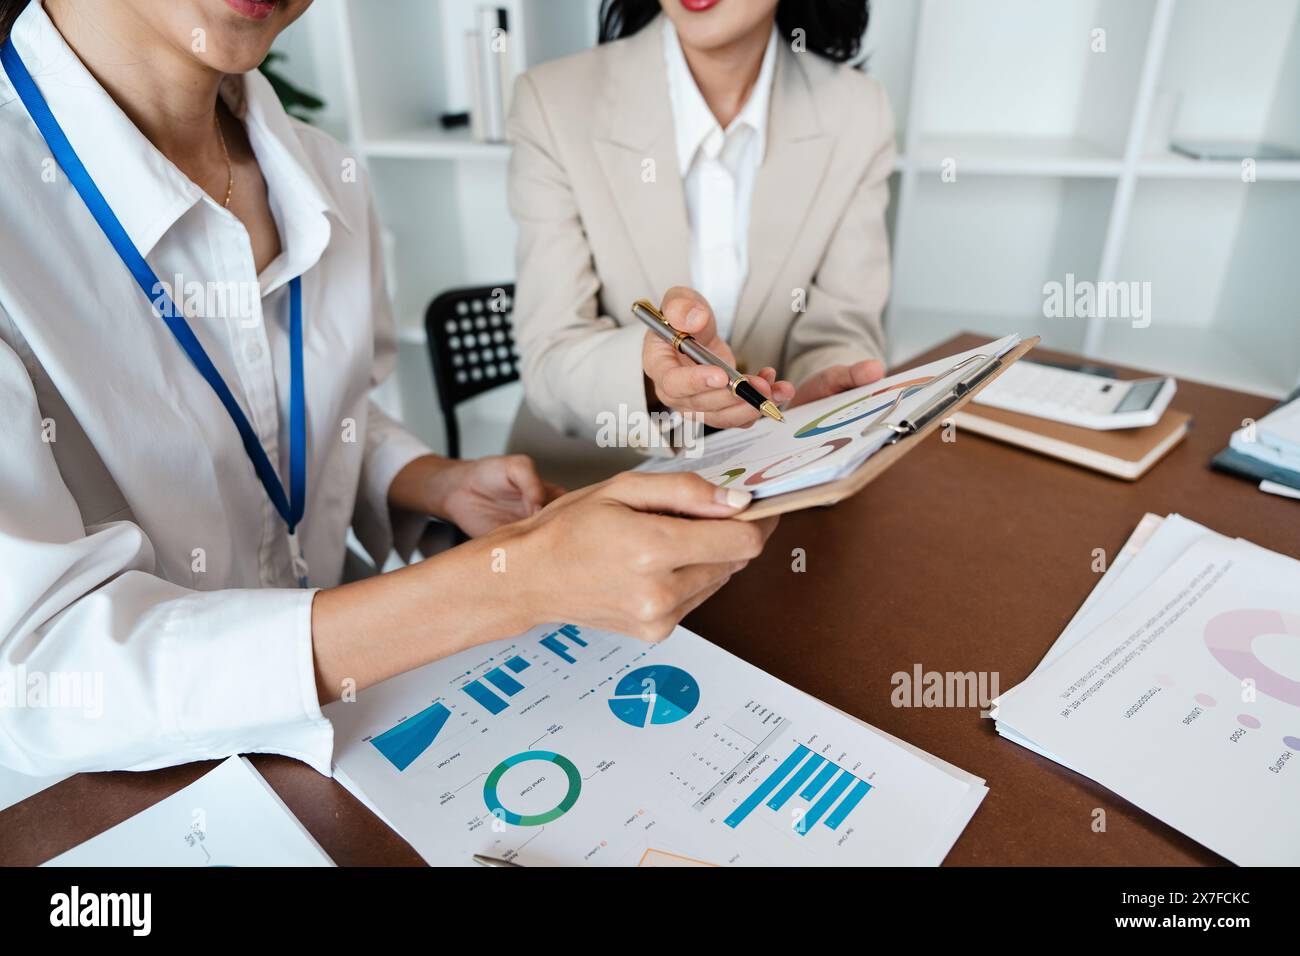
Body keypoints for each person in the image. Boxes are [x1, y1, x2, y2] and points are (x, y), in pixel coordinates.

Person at [0, 0, 774, 778]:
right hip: (128, 798)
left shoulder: (321, 170)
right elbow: (40, 679)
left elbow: (308, 414)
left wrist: (431, 482)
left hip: (354, 737)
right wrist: (508, 584)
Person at [506, 0, 895, 487]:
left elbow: (840, 328)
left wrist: (819, 391)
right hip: (594, 479)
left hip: (778, 479)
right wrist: (657, 381)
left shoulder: (859, 111)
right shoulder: (551, 101)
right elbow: (551, 356)